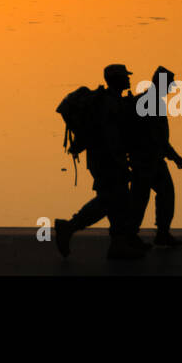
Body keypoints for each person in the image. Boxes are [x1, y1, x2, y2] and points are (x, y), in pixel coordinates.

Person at [54, 64, 147, 260]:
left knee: (117, 201)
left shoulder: (112, 100)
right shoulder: (108, 104)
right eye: (125, 76)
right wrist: (120, 163)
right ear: (116, 79)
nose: (129, 79)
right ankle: (69, 227)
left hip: (105, 160)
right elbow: (109, 137)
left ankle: (117, 244)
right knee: (109, 201)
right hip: (107, 162)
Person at [126, 66, 182, 248]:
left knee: (149, 196)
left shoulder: (148, 100)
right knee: (142, 198)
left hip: (148, 160)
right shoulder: (151, 102)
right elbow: (156, 137)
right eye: (169, 84)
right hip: (147, 160)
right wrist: (175, 157)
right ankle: (134, 236)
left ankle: (155, 234)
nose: (171, 88)